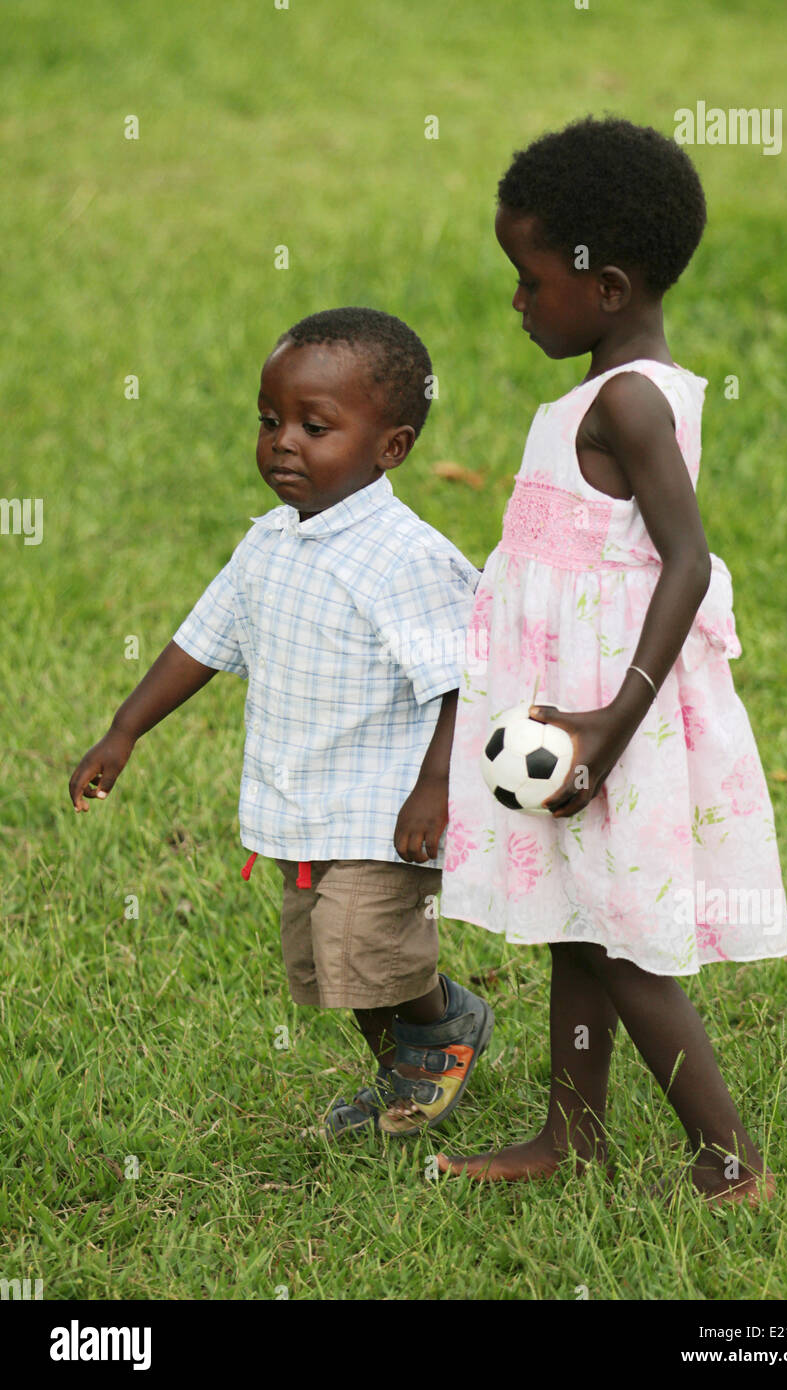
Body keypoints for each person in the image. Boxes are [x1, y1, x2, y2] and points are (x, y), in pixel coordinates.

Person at [414, 116, 787, 1202]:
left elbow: (687, 560)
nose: (517, 303)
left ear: (607, 285)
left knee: (627, 944)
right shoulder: (601, 392)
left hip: (606, 716)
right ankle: (566, 1135)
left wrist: (603, 727)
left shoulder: (627, 400)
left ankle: (728, 1163)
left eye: (529, 282)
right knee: (579, 929)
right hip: (572, 710)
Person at [68, 307, 494, 1139]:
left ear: (391, 447)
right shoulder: (266, 542)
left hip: (383, 810)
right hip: (303, 806)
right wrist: (124, 731)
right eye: (270, 422)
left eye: (314, 426)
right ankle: (414, 1048)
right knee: (332, 967)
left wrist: (436, 789)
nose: (283, 442)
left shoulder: (405, 559)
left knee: (364, 943)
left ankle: (439, 1031)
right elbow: (200, 643)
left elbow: (463, 681)